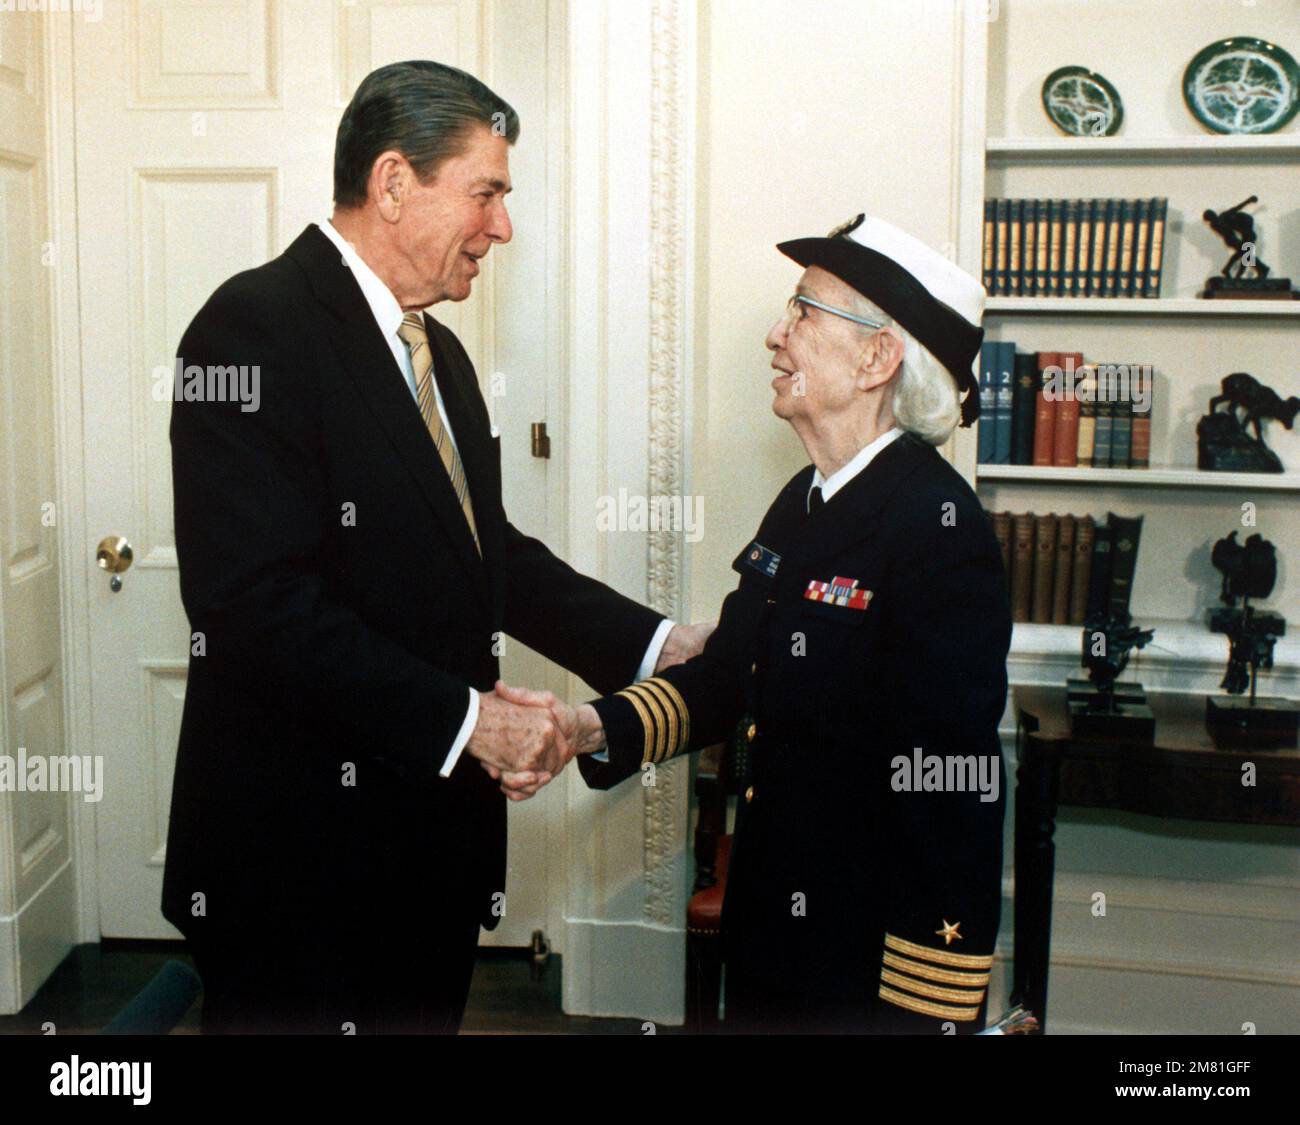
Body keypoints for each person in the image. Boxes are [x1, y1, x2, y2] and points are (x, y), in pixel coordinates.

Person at [163, 59, 710, 1035]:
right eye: (486, 193)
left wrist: (655, 645)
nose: (502, 227)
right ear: (392, 182)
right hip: (298, 870)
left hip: (429, 855)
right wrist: (470, 721)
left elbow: (486, 552)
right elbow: (251, 605)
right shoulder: (250, 329)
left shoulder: (439, 352)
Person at [498, 213, 1012, 1033]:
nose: (776, 334)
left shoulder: (937, 530)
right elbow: (727, 674)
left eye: (804, 312)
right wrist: (586, 729)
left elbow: (950, 785)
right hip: (773, 933)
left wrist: (928, 1010)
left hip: (866, 973)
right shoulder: (803, 501)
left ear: (877, 358)